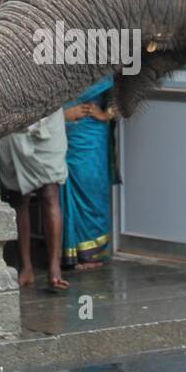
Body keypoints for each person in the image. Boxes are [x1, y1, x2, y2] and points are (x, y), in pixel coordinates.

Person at [0, 0, 70, 291]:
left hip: (45, 120)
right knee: (19, 198)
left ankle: (55, 268)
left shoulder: (45, 25)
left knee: (49, 194)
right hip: (12, 123)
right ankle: (26, 267)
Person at [61, 78, 117, 271]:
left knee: (92, 186)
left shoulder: (106, 54)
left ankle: (91, 253)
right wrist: (61, 115)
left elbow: (124, 85)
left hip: (91, 133)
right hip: (63, 129)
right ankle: (69, 252)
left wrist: (107, 114)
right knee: (63, 187)